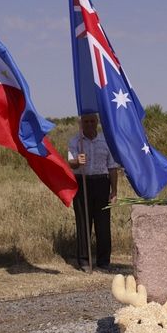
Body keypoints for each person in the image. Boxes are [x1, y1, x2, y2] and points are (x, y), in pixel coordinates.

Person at [67, 114, 119, 272]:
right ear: (80, 123)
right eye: (85, 122)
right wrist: (77, 161)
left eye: (92, 121)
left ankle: (103, 261)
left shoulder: (106, 141)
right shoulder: (75, 141)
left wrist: (114, 190)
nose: (89, 124)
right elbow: (71, 163)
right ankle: (84, 261)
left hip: (102, 183)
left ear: (97, 122)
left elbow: (112, 167)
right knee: (83, 222)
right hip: (82, 183)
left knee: (103, 225)